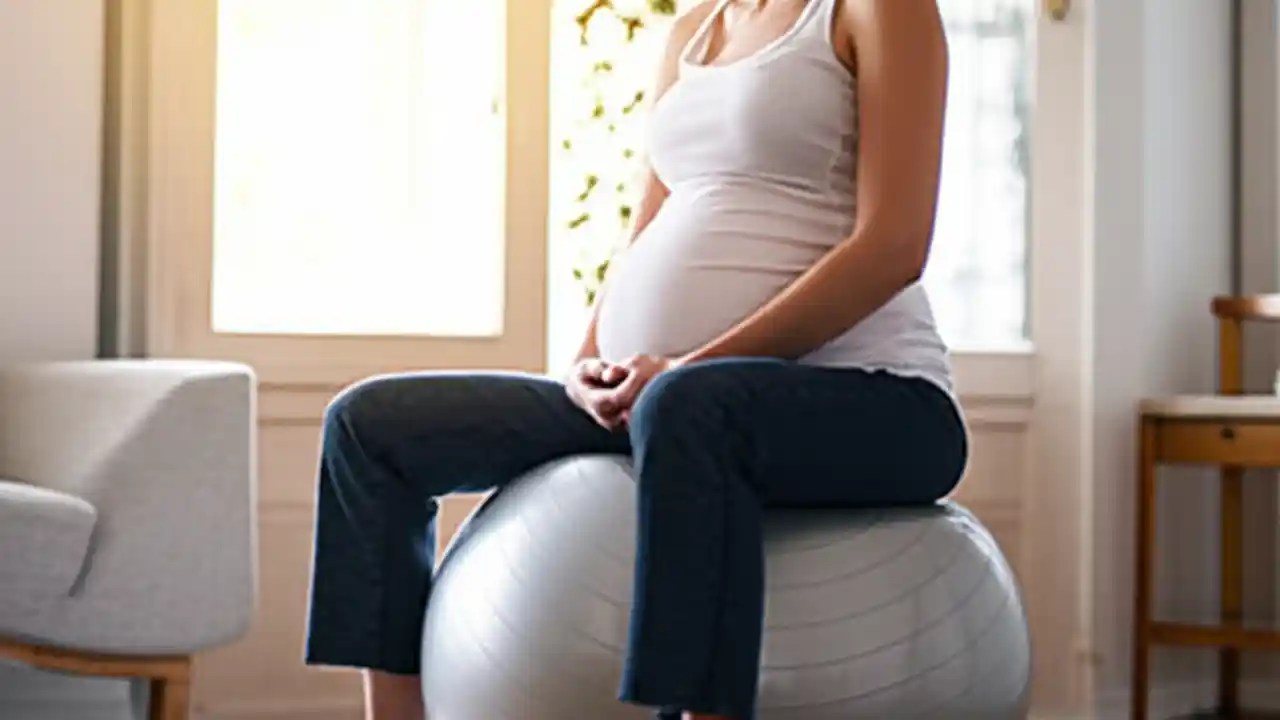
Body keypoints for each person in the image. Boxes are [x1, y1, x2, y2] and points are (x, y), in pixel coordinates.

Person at [304, 1, 962, 718]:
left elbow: (894, 246)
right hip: (669, 400)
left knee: (691, 409)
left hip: (876, 399)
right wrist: (587, 366)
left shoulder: (876, 9)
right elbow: (646, 234)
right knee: (371, 428)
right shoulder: (697, 27)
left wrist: (687, 370)